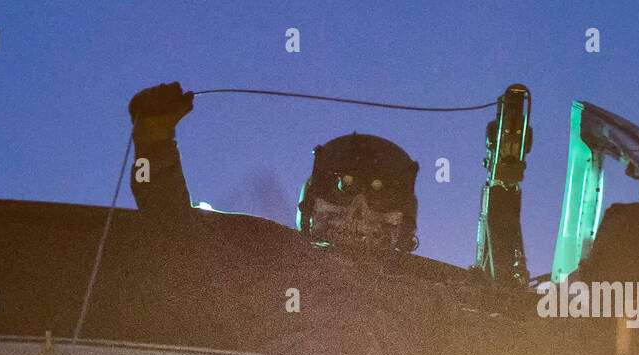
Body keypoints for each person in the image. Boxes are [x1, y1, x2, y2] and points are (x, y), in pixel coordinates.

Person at [127, 82, 420, 258]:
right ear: (312, 204)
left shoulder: (434, 296)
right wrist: (154, 144)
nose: (359, 211)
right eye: (343, 187)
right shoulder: (268, 261)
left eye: (381, 194)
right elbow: (176, 230)